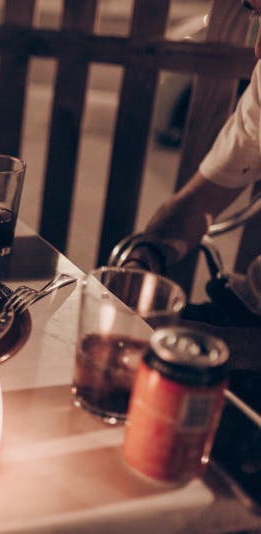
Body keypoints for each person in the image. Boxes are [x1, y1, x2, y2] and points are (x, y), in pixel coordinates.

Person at [121, 0, 261, 362]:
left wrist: (203, 342)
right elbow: (199, 201)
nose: (259, 48)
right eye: (257, 14)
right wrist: (143, 261)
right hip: (245, 311)